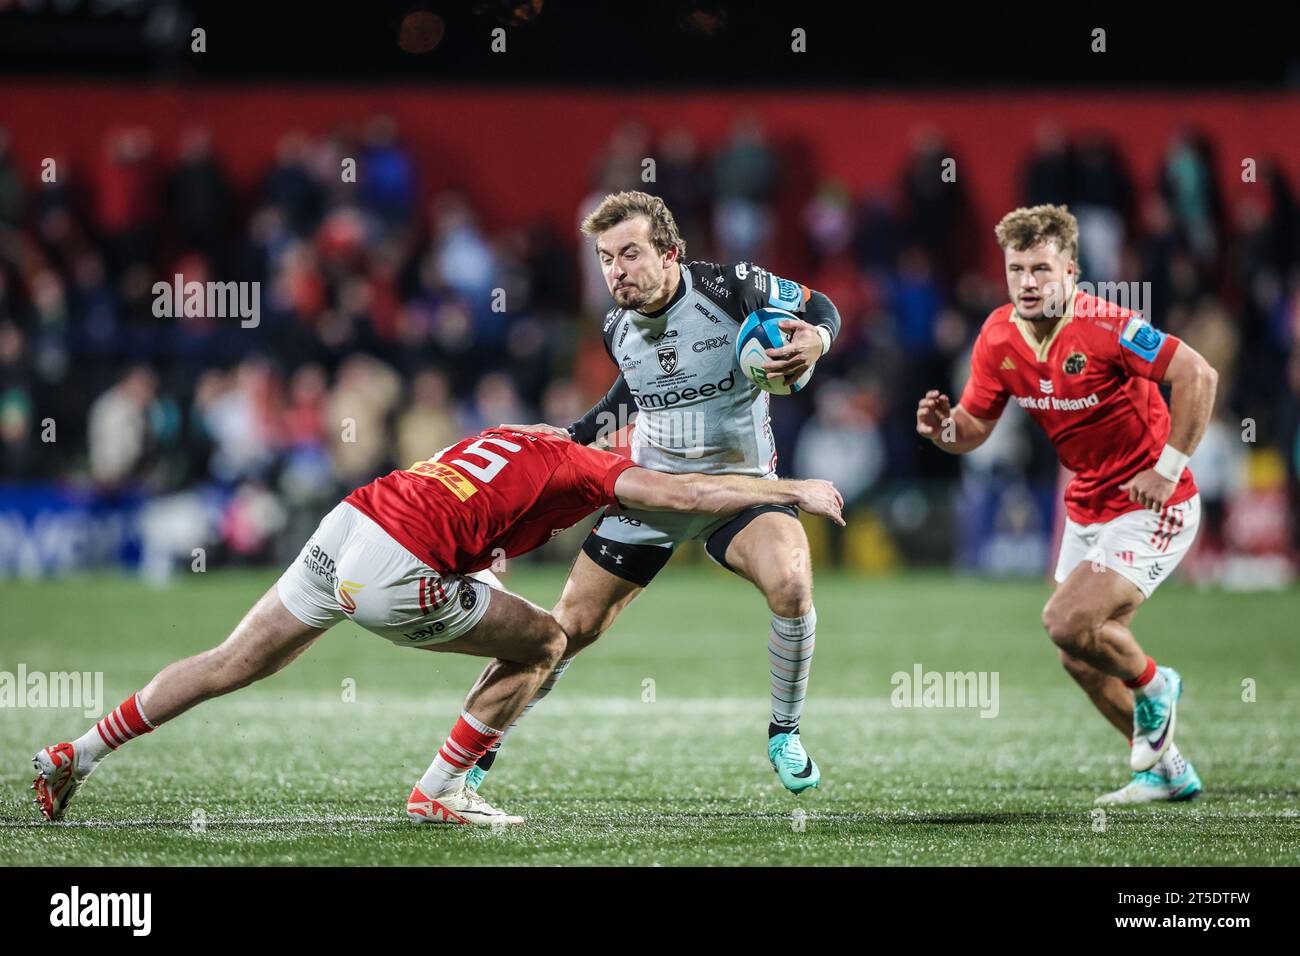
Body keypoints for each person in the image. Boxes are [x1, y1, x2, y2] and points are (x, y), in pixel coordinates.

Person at [33, 428, 844, 826]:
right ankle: (441, 791)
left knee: (231, 661)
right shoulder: (598, 468)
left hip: (352, 522)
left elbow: (478, 523)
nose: (644, 476)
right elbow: (689, 499)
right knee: (550, 640)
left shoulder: (525, 439)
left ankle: (78, 753)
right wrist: (788, 489)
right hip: (393, 565)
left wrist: (481, 578)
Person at [484, 189, 844, 796]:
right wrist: (572, 436)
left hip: (742, 489)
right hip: (655, 491)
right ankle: (480, 745)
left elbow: (821, 305)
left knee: (791, 582)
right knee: (570, 626)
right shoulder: (614, 327)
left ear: (671, 254)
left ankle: (784, 731)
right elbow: (634, 391)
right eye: (605, 258)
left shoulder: (732, 288)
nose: (616, 271)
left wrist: (817, 340)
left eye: (629, 254)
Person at [916, 204, 1218, 805]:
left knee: (1064, 620)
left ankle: (1158, 687)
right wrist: (942, 431)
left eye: (1041, 269)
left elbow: (1198, 375)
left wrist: (1168, 469)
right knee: (1080, 659)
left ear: (1071, 272)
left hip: (1154, 504)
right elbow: (974, 425)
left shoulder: (1110, 326)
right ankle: (1167, 770)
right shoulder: (999, 335)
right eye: (1016, 269)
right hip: (1088, 505)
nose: (1028, 282)